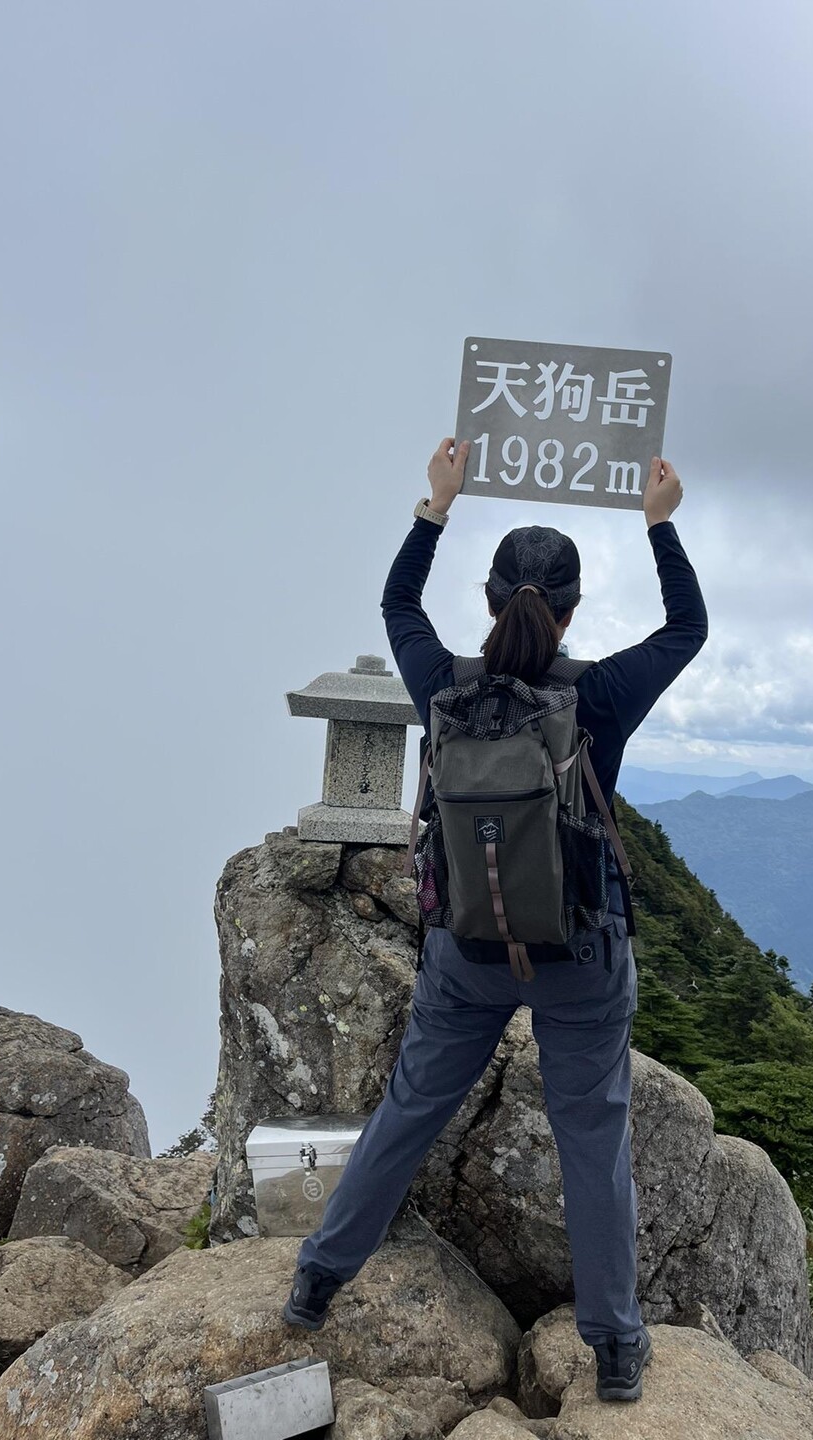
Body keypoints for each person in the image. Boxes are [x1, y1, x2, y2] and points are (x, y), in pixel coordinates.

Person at [285, 437, 708, 1403]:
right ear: (571, 611)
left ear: (486, 600)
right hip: (580, 958)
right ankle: (615, 1350)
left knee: (410, 1111)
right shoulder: (596, 695)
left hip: (466, 953)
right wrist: (662, 522)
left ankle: (317, 1278)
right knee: (591, 1141)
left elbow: (396, 604)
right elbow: (688, 628)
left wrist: (436, 504)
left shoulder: (442, 683)